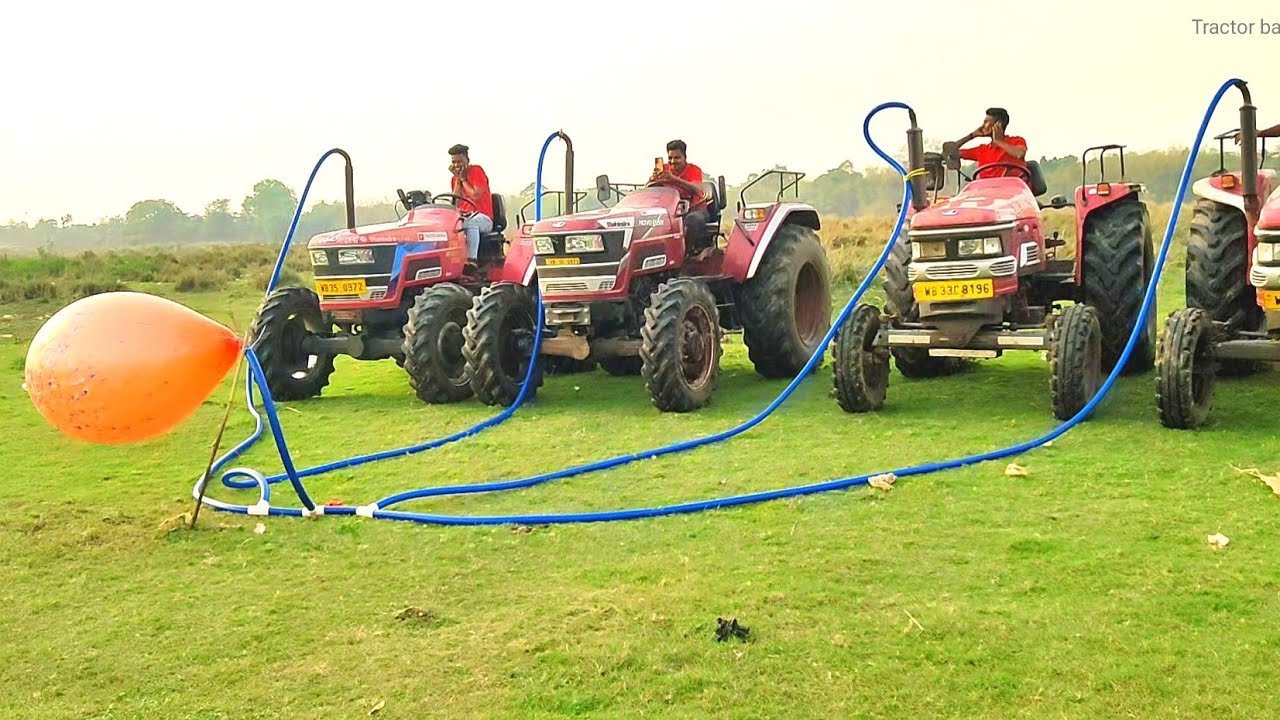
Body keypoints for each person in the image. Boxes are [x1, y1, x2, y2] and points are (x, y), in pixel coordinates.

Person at [648, 139, 712, 253]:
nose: (673, 161)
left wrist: (673, 179)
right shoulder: (664, 170)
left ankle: (684, 253)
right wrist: (652, 181)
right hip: (670, 212)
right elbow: (648, 190)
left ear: (684, 157)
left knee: (692, 220)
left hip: (694, 208)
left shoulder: (694, 170)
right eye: (670, 158)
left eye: (677, 158)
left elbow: (697, 189)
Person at [447, 143, 494, 264]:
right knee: (450, 226)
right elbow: (455, 203)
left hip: (483, 218)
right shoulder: (454, 179)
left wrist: (464, 180)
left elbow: (475, 195)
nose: (457, 165)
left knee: (470, 223)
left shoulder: (476, 171)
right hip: (463, 217)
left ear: (467, 160)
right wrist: (458, 180)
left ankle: (472, 260)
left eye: (459, 161)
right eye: (454, 162)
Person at [952, 107, 1028, 180]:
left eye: (986, 122)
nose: (982, 126)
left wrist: (998, 141)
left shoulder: (1016, 141)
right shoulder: (982, 149)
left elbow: (1019, 154)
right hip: (986, 189)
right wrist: (972, 135)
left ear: (998, 124)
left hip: (1012, 189)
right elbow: (950, 153)